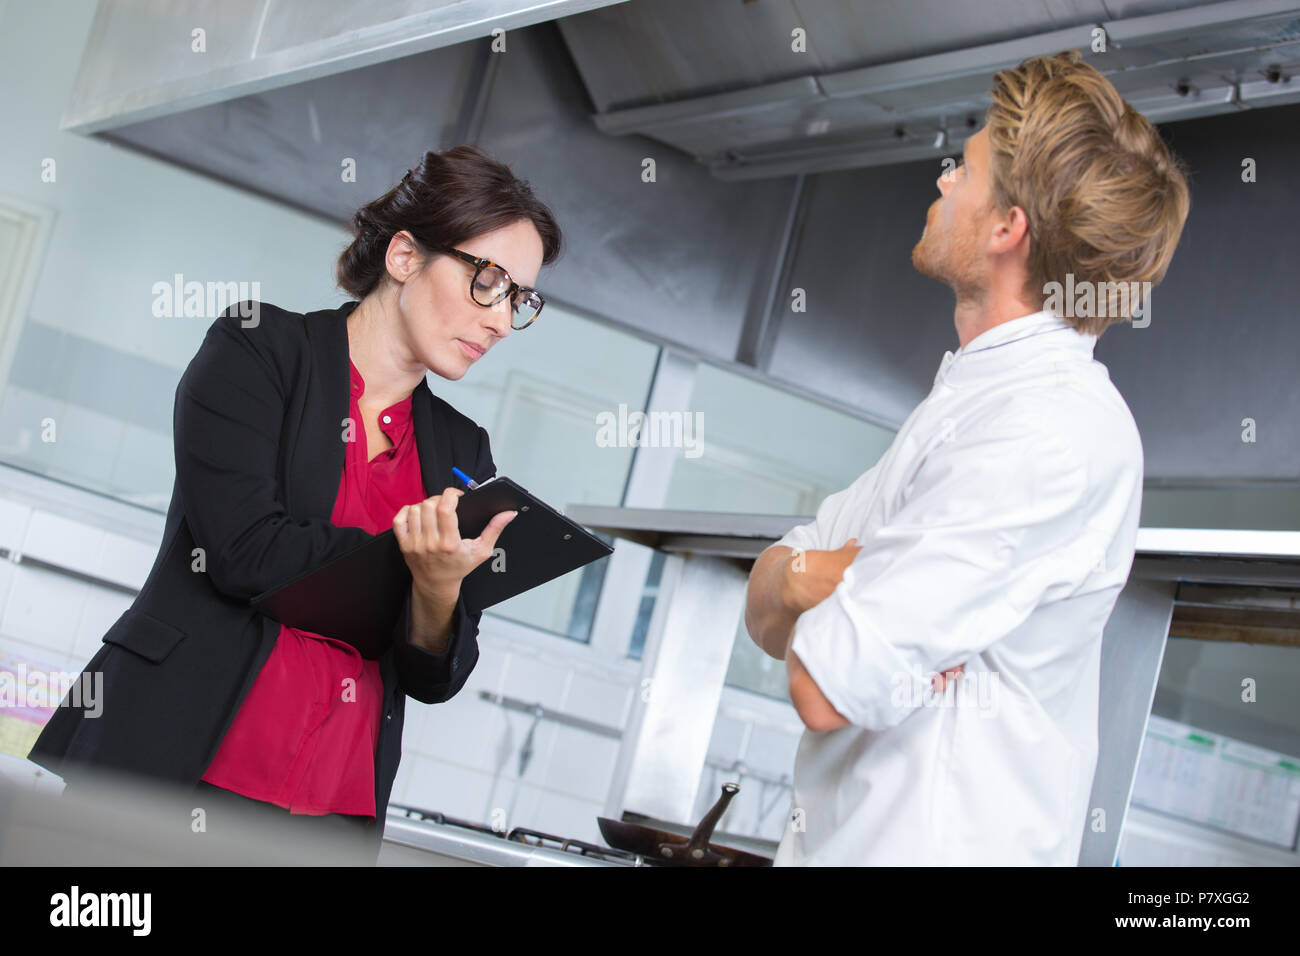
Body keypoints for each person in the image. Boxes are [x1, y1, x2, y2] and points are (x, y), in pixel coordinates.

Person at [28, 145, 562, 864]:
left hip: (327, 816)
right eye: (489, 282)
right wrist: (414, 569)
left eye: (521, 299)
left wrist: (437, 596)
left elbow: (440, 672)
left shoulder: (463, 449)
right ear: (405, 256)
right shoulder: (259, 349)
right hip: (167, 775)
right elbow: (245, 550)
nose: (501, 321)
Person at [744, 50, 1190, 865]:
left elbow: (819, 683)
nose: (944, 180)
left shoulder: (1048, 433)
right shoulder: (970, 404)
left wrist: (828, 587)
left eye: (968, 168)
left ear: (1006, 229)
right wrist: (814, 579)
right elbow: (767, 607)